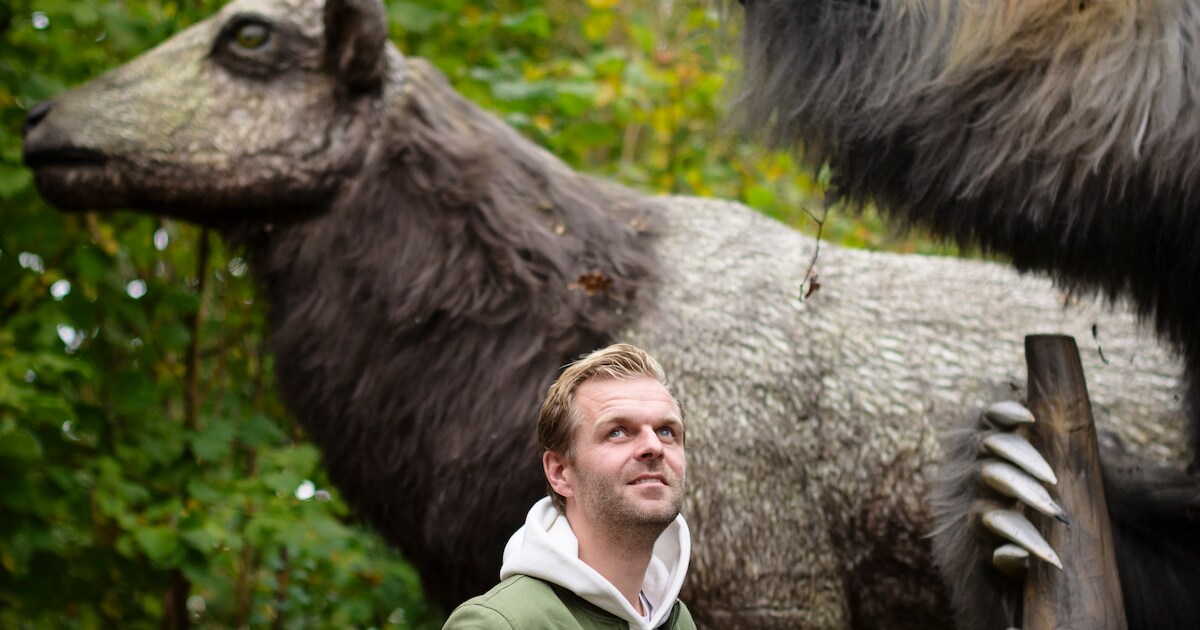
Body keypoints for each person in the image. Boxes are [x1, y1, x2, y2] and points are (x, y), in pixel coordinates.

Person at [443, 343, 695, 629]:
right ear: (560, 472)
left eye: (666, 431)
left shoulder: (678, 620)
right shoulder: (498, 624)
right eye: (617, 432)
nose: (654, 446)